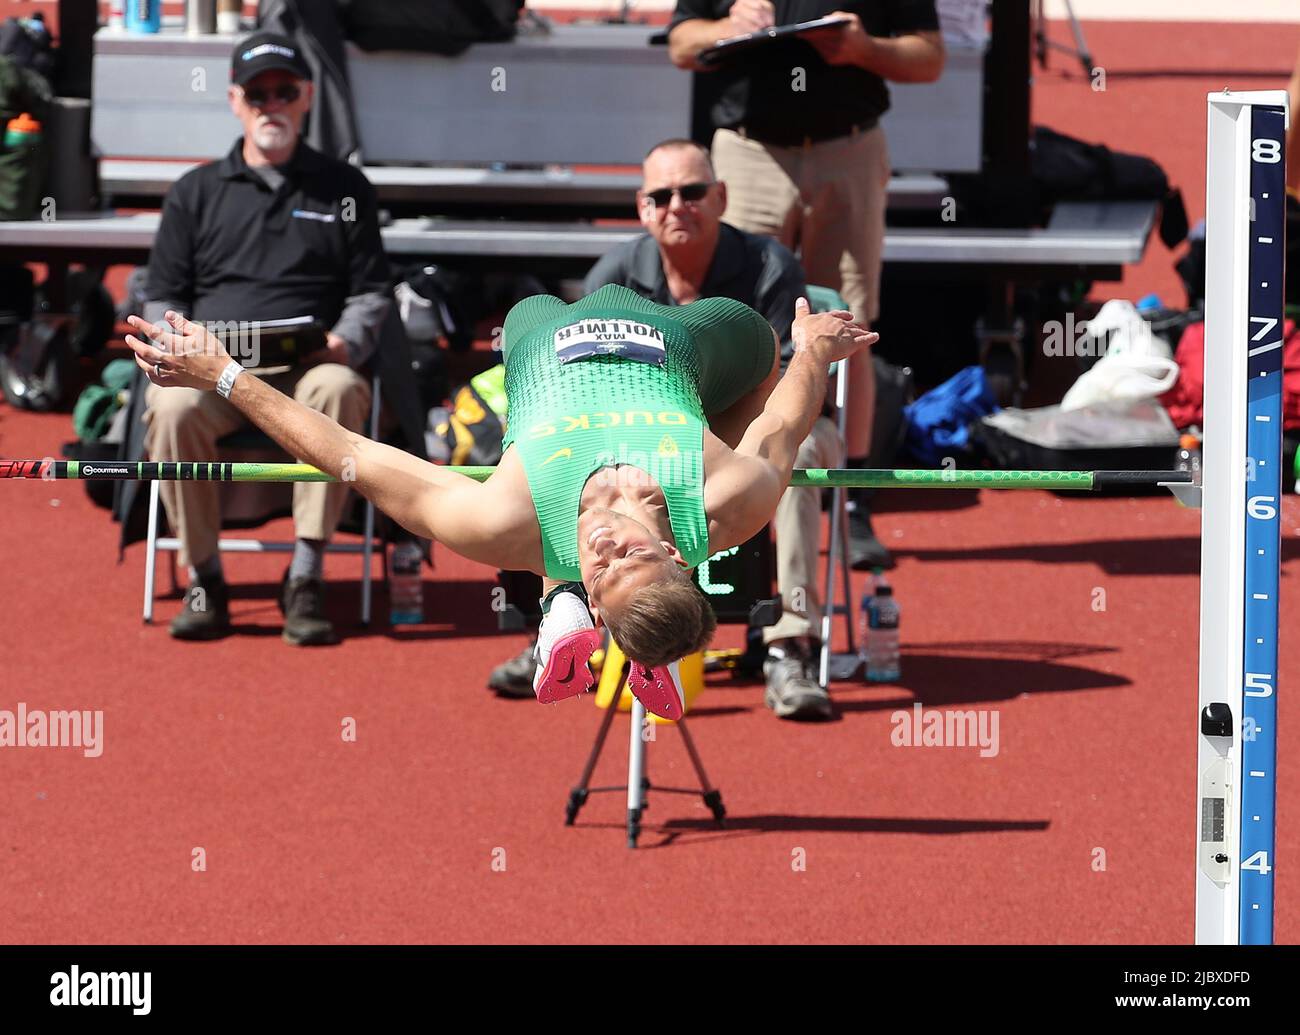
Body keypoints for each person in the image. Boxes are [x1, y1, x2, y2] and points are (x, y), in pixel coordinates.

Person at [125, 285, 877, 716]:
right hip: (682, 342)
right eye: (630, 557)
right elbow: (784, 421)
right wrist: (813, 347)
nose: (604, 547)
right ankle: (588, 618)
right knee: (761, 343)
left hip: (541, 334)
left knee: (527, 307)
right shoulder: (725, 500)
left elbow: (353, 456)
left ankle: (561, 600)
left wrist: (223, 376)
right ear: (678, 554)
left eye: (600, 572)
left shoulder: (500, 518)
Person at [491, 138, 839, 720]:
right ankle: (574, 612)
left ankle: (789, 643)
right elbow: (569, 382)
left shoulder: (768, 266)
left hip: (751, 415)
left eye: (692, 192)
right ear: (643, 208)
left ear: (721, 197)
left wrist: (692, 436)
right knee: (557, 455)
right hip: (634, 439)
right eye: (662, 196)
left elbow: (781, 391)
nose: (678, 206)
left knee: (788, 458)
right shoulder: (617, 270)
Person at [667, 0, 944, 568]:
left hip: (850, 147)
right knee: (734, 326)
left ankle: (853, 498)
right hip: (749, 153)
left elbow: (929, 57)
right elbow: (681, 42)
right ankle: (730, 481)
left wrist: (864, 48)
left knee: (851, 326)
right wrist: (728, 29)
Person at [141, 32, 393, 646]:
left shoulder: (345, 187)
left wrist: (343, 343)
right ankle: (204, 576)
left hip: (309, 366)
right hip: (212, 367)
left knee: (339, 386)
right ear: (235, 100)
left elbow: (372, 292)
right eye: (258, 94)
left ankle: (305, 574)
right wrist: (176, 345)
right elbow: (160, 294)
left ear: (306, 97)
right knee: (171, 408)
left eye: (284, 91)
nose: (271, 105)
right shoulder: (194, 191)